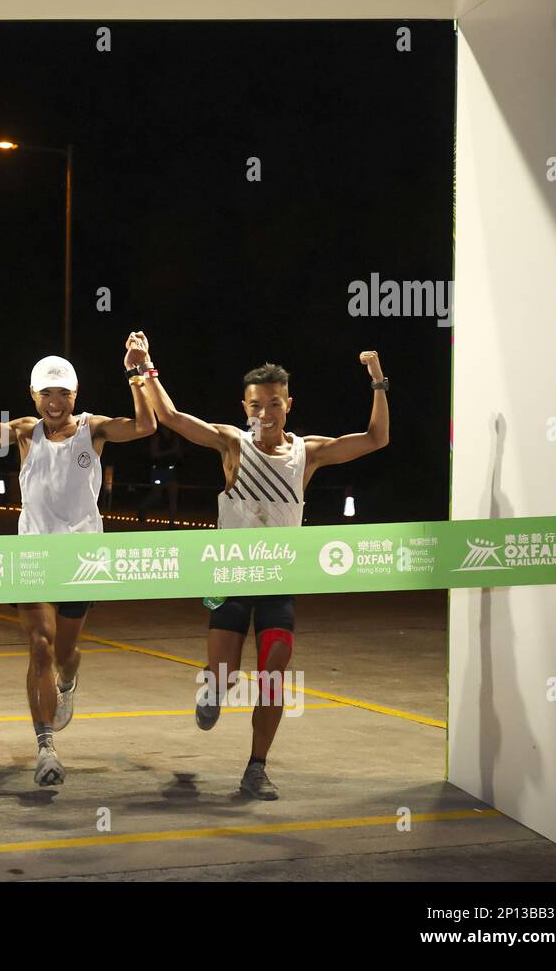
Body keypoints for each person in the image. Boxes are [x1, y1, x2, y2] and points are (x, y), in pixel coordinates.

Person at [130, 339, 389, 799]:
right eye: (256, 405)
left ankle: (256, 768)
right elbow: (171, 418)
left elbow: (376, 439)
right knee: (225, 676)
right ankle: (213, 689)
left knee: (273, 674)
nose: (265, 413)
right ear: (244, 407)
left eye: (274, 403)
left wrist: (377, 379)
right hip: (227, 579)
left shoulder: (306, 453)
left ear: (289, 404)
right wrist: (146, 368)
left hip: (279, 581)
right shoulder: (233, 443)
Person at [0, 336, 155, 786]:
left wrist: (137, 372)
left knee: (65, 652)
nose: (55, 401)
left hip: (82, 557)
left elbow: (145, 426)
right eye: (46, 392)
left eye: (62, 392)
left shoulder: (94, 428)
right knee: (40, 645)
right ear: (34, 395)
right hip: (33, 554)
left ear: (75, 394)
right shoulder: (26, 431)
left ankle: (68, 681)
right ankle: (45, 747)